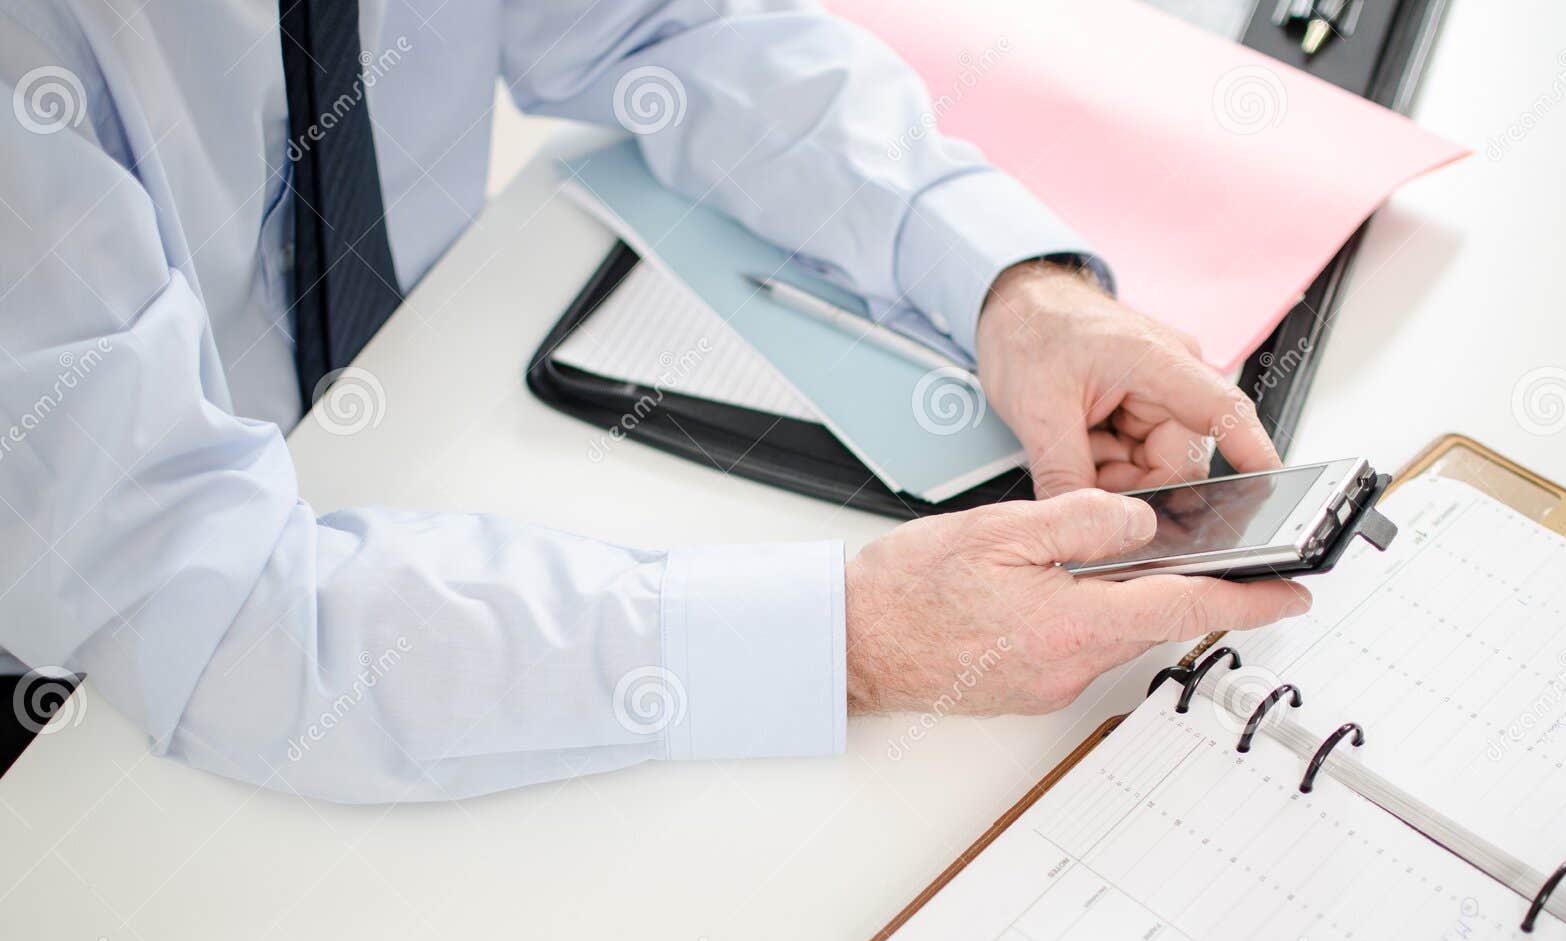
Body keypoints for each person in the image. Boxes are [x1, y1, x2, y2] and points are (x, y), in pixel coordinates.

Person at [0, 1, 1308, 800]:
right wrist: (848, 635)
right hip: (83, 711)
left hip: (402, 455)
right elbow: (207, 613)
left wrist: (1009, 285)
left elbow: (667, 31)